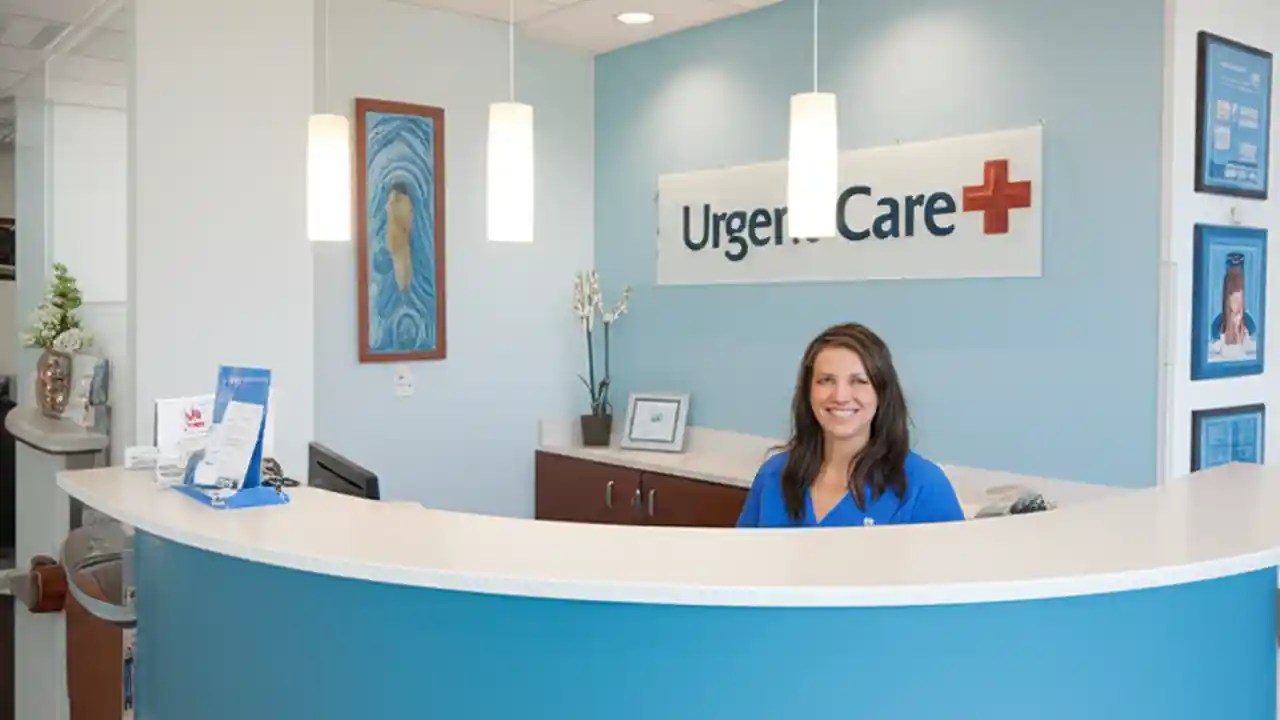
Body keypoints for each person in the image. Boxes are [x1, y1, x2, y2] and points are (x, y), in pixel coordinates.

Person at [736, 322, 964, 528]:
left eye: (859, 381)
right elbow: (741, 565)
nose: (840, 396)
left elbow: (957, 571)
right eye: (826, 380)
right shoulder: (774, 475)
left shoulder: (923, 486)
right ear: (808, 392)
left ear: (881, 393)